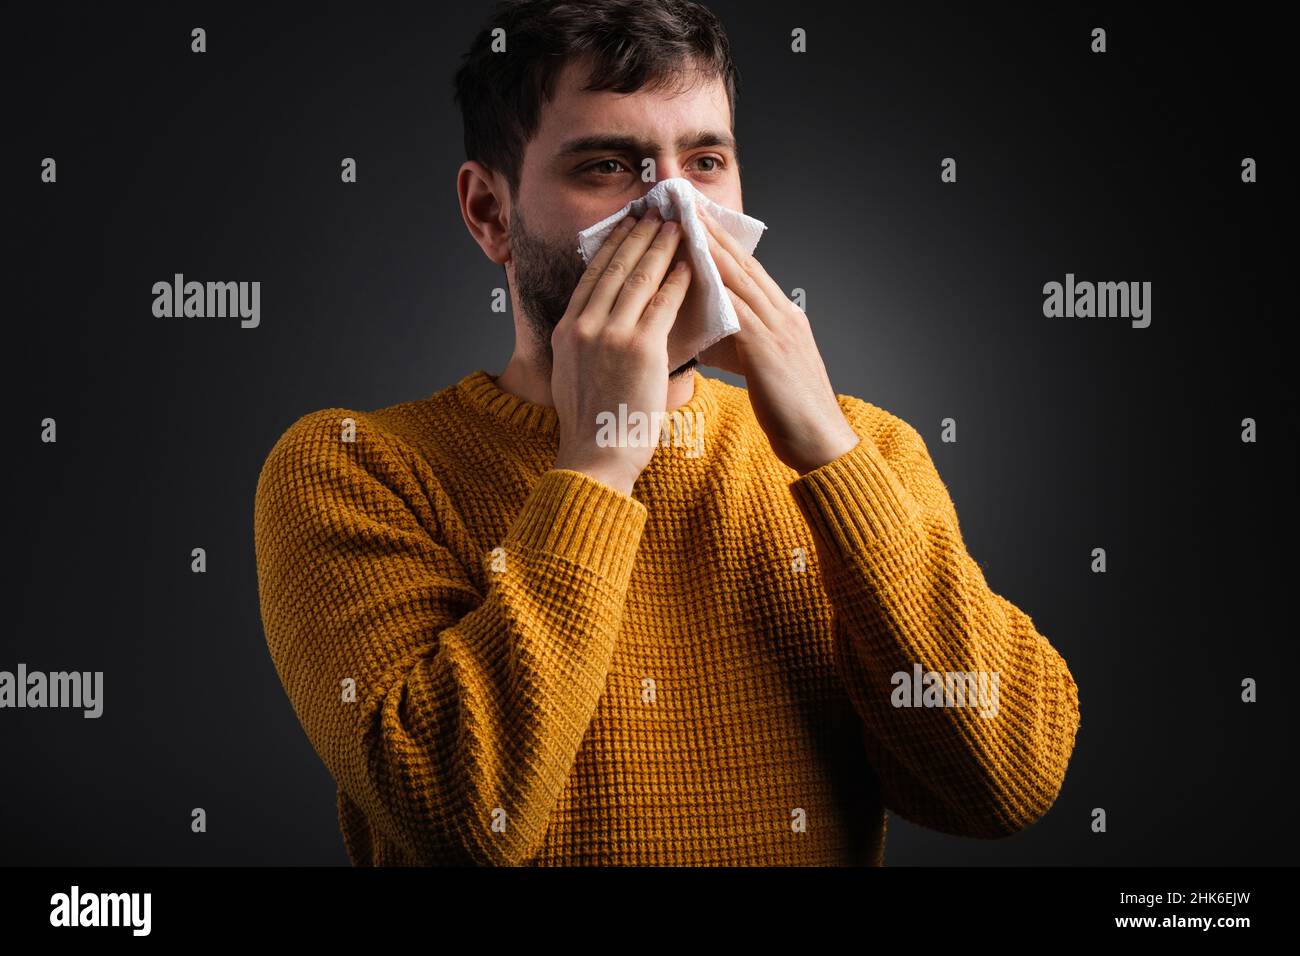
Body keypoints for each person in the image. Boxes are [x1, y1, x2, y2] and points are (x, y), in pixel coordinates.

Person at [253, 0, 1081, 866]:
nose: (674, 208)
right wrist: (600, 460)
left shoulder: (866, 449)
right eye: (610, 165)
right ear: (491, 214)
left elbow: (1007, 783)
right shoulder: (354, 467)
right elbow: (461, 817)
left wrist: (832, 457)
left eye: (706, 161)